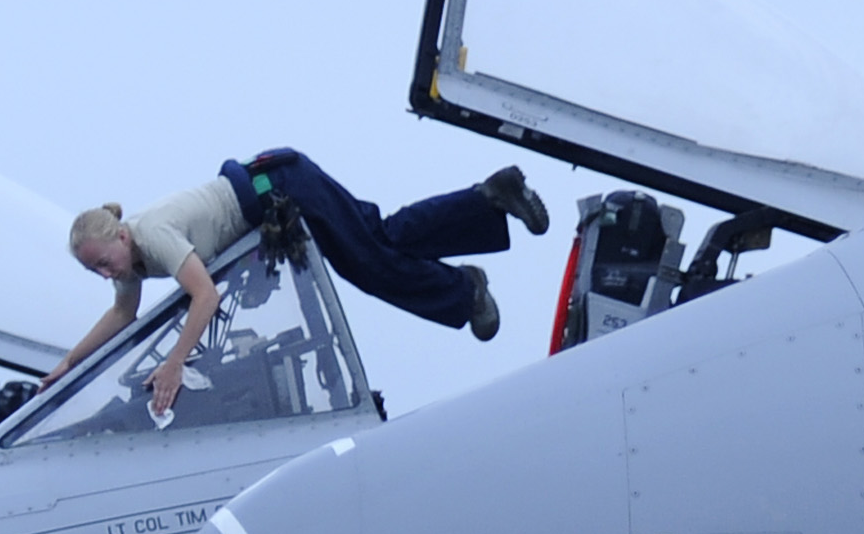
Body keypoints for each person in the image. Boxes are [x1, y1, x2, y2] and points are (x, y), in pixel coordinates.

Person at [50, 151, 552, 412]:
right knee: (379, 241)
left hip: (282, 185)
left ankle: (468, 279)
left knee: (372, 258)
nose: (107, 274)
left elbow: (204, 296)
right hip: (278, 182)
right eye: (96, 271)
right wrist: (69, 365)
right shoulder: (130, 259)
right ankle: (483, 217)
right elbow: (122, 313)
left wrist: (174, 364)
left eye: (104, 262)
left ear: (120, 234)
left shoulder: (153, 235)